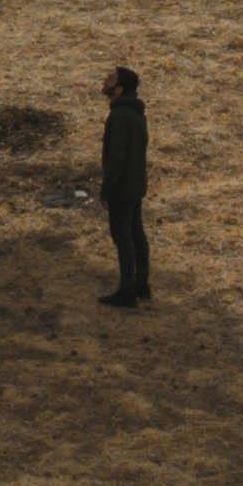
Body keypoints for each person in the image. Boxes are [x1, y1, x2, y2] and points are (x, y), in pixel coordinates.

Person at [98, 66, 151, 307]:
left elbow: (117, 157)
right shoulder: (137, 113)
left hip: (122, 186)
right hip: (136, 183)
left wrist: (108, 186)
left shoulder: (119, 116)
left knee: (123, 236)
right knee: (136, 233)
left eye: (111, 78)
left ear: (119, 88)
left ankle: (127, 290)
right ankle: (141, 284)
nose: (106, 81)